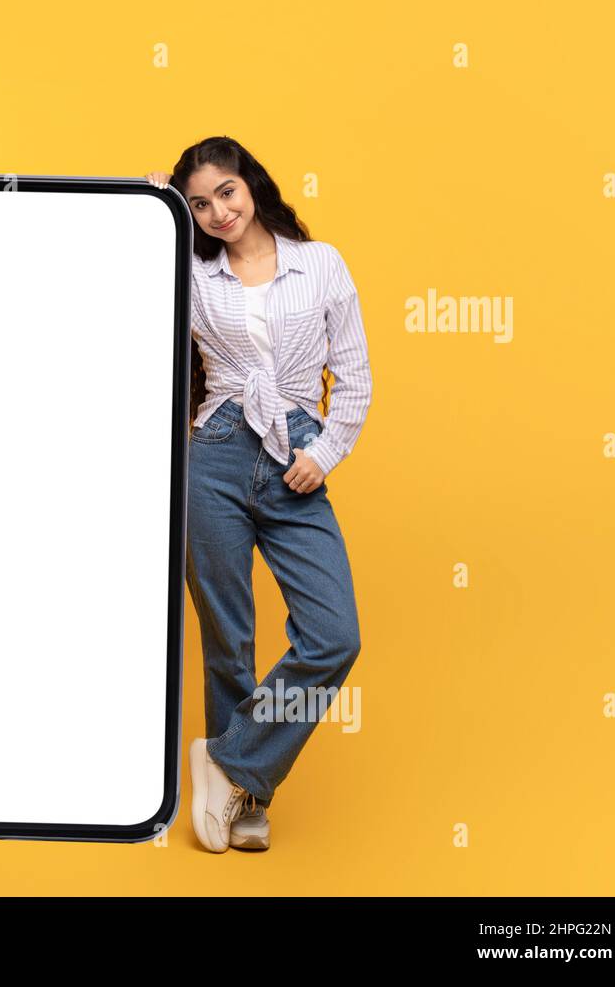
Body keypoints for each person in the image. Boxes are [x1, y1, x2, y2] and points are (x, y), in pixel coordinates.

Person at [146, 136, 371, 853]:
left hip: (294, 454)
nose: (217, 212)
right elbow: (118, 264)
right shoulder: (187, 267)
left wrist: (326, 451)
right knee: (228, 640)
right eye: (199, 203)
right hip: (212, 454)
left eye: (226, 193)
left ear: (253, 186)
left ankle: (230, 759)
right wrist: (150, 201)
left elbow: (357, 379)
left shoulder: (321, 264)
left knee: (334, 636)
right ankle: (244, 799)